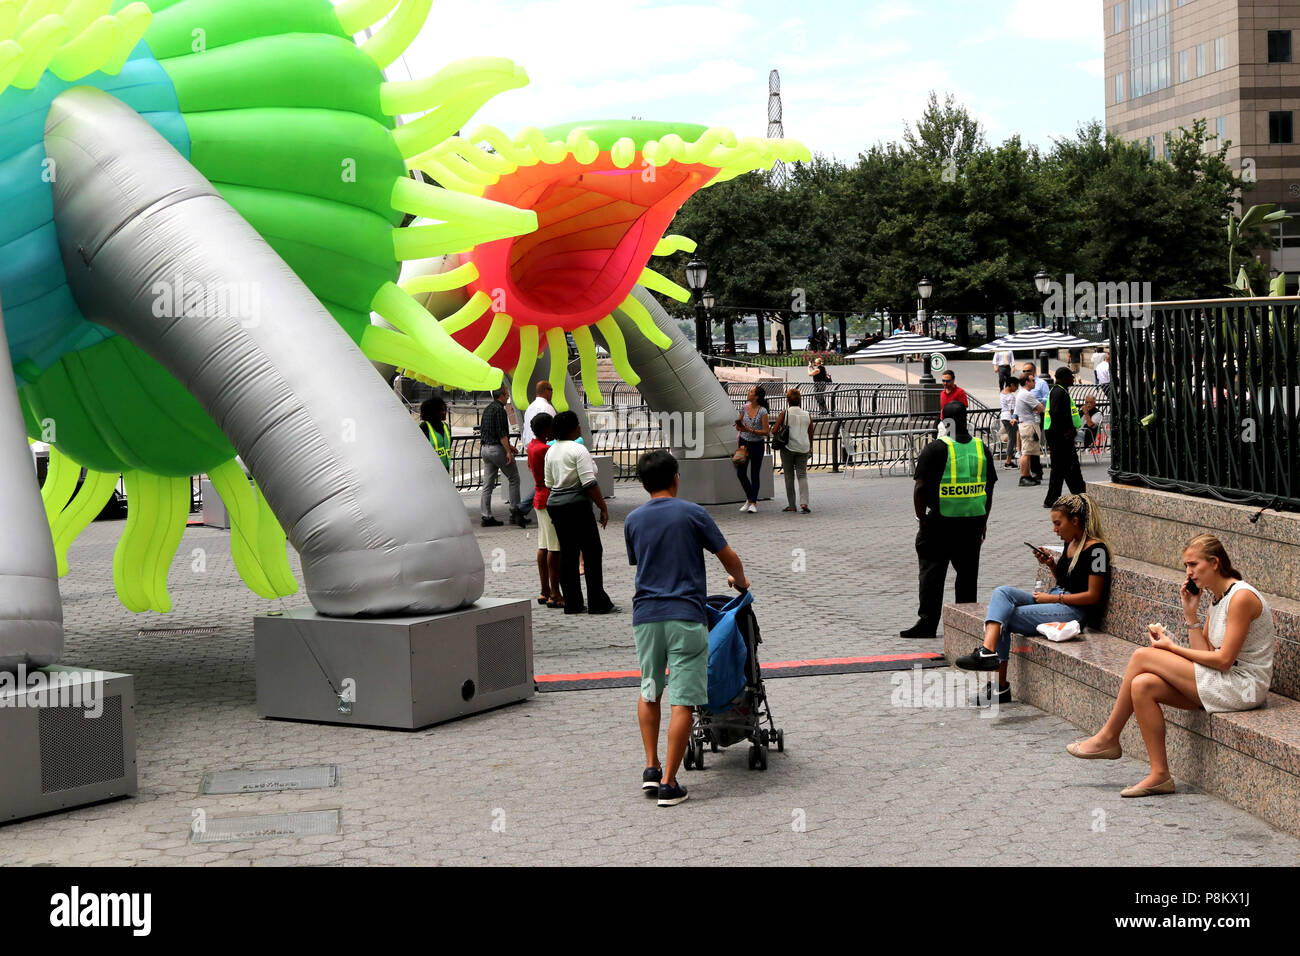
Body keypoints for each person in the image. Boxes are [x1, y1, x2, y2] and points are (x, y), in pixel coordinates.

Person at [1065, 534, 1274, 798]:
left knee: (1142, 657)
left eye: (1193, 565)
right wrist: (1190, 614)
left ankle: (1108, 737)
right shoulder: (1217, 597)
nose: (1188, 572)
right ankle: (1160, 775)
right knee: (1142, 686)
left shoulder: (1242, 597)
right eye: (1186, 566)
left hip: (1244, 686)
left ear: (1214, 563)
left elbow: (1223, 661)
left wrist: (1172, 648)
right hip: (1223, 680)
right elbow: (1204, 654)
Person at [625, 450, 750, 807]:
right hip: (686, 615)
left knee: (650, 689)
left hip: (646, 617)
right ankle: (669, 784)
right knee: (684, 699)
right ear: (676, 479)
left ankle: (651, 767)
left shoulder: (633, 520)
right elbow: (729, 557)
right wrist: (739, 583)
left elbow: (642, 561)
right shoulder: (694, 513)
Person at [955, 493, 1111, 705]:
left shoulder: (1097, 550)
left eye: (1058, 523)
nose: (1055, 530)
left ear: (1075, 521)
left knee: (1006, 617)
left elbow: (1093, 596)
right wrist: (1051, 565)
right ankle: (988, 652)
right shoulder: (1071, 543)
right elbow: (1067, 580)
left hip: (1073, 611)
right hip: (1057, 599)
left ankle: (999, 686)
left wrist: (1054, 599)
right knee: (1002, 592)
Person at [900, 401, 997, 639]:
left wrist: (921, 518)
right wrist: (984, 519)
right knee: (967, 576)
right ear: (966, 420)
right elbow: (989, 487)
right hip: (972, 522)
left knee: (932, 574)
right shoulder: (981, 448)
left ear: (945, 422)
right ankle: (965, 625)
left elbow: (920, 488)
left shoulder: (935, 449)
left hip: (940, 524)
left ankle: (927, 623)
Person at [544, 410, 617, 615]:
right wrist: (603, 506)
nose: (579, 428)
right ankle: (597, 601)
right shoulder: (578, 449)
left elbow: (549, 483)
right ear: (572, 428)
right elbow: (589, 483)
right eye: (577, 424)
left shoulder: (551, 451)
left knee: (568, 553)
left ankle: (573, 603)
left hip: (556, 505)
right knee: (592, 551)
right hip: (577, 505)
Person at [526, 412, 563, 609]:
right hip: (549, 498)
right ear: (546, 429)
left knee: (543, 546)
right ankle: (555, 594)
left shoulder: (532, 446)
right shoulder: (545, 449)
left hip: (539, 497)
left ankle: (544, 590)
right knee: (555, 548)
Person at [479, 386, 530, 528]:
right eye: (507, 394)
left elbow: (489, 431)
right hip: (496, 449)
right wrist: (508, 451)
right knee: (514, 478)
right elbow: (501, 433)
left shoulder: (488, 408)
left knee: (487, 484)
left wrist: (509, 447)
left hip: (485, 449)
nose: (508, 397)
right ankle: (516, 512)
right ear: (501, 395)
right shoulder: (500, 410)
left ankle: (486, 516)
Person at [1042, 367, 1087, 508]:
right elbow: (1056, 414)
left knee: (1061, 469)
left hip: (1058, 437)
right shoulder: (1059, 392)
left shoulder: (1060, 391)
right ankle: (1080, 494)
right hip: (1060, 438)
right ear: (1062, 377)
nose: (1072, 379)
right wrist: (1067, 431)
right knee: (1069, 466)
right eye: (1070, 376)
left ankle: (1054, 498)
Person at [773, 388, 813, 513]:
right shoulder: (807, 414)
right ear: (800, 400)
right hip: (803, 448)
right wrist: (810, 447)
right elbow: (810, 433)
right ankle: (804, 503)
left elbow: (774, 430)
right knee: (802, 475)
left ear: (787, 400)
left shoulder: (785, 413)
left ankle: (792, 505)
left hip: (788, 448)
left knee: (789, 476)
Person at [733, 386, 769, 512]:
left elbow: (766, 431)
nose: (749, 393)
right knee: (740, 472)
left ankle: (753, 502)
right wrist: (739, 426)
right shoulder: (745, 407)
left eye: (752, 391)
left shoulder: (763, 411)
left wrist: (751, 430)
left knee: (755, 473)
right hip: (743, 443)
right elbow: (740, 422)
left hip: (757, 444)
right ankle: (750, 498)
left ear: (757, 396)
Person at [1013, 371, 1044, 486]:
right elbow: (1040, 407)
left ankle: (1028, 476)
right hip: (1029, 425)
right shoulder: (1027, 394)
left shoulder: (1023, 393)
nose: (1034, 382)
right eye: (1032, 380)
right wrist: (1038, 408)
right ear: (1027, 382)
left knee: (1028, 452)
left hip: (1027, 424)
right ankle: (1024, 476)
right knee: (1026, 453)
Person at [418, 396, 453, 471]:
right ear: (433, 412)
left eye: (445, 410)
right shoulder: (424, 427)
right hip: (431, 469)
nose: (445, 412)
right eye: (442, 410)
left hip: (445, 466)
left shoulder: (445, 426)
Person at [519, 380, 556, 449]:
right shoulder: (547, 407)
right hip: (544, 448)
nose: (552, 392)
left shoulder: (529, 408)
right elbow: (553, 430)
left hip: (530, 448)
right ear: (546, 390)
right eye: (551, 390)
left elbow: (525, 430)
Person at [998, 379, 1019, 469]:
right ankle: (1008, 461)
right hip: (1009, 418)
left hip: (1003, 416)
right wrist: (1015, 418)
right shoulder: (1011, 396)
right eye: (1016, 386)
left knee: (1012, 438)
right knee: (1012, 439)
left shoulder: (1002, 393)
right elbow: (1012, 410)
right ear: (1011, 385)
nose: (1017, 388)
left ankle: (1010, 459)